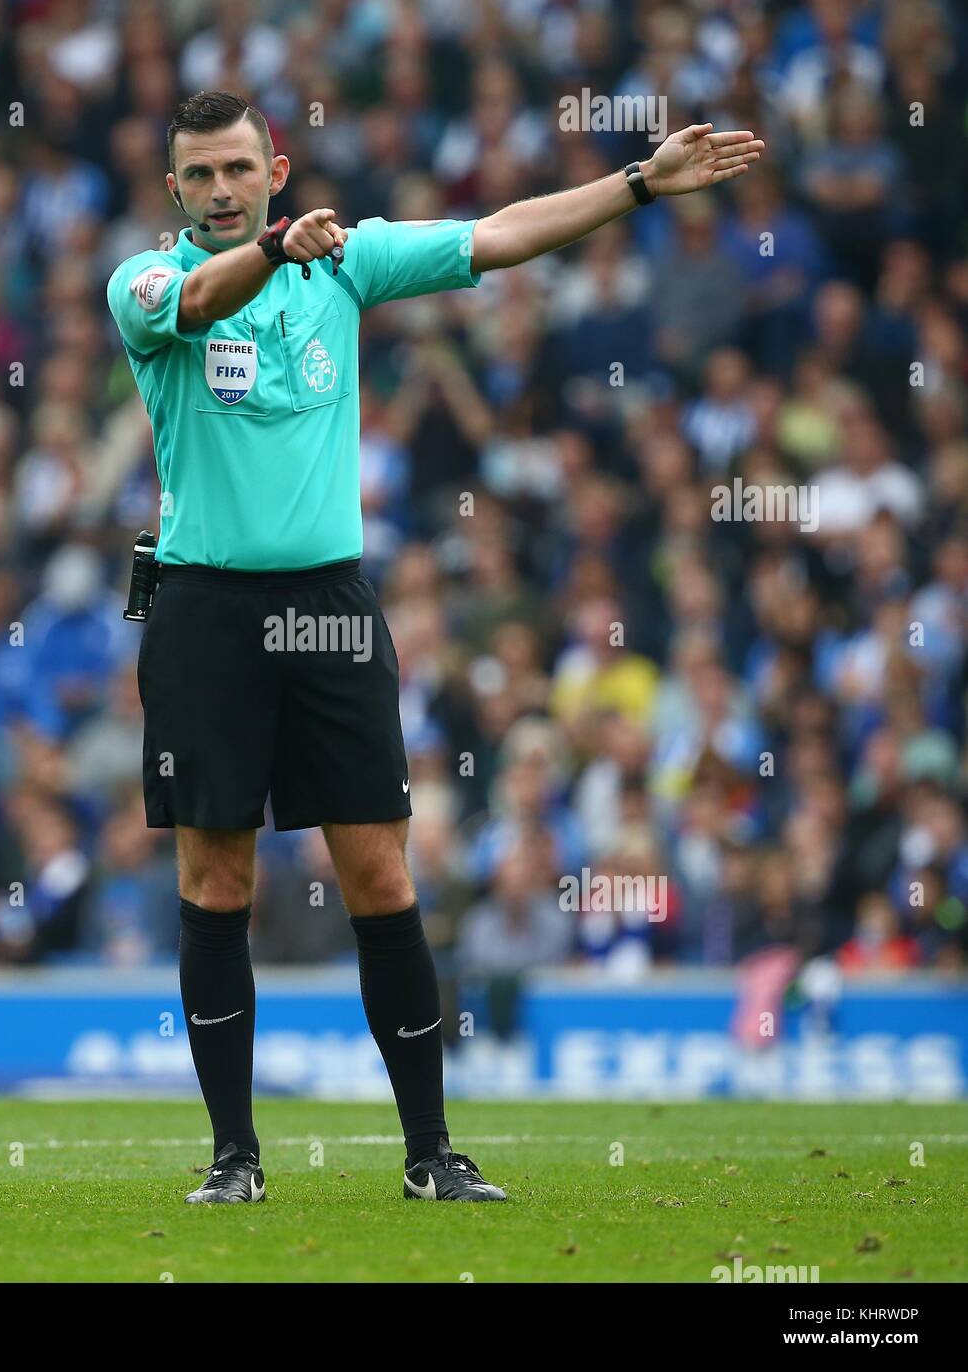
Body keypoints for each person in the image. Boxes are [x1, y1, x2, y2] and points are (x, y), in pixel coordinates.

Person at [106, 90, 764, 1204]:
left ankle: (430, 1153)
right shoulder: (146, 282)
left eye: (237, 170)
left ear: (276, 166)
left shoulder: (348, 263)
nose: (218, 190)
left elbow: (496, 234)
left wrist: (640, 184)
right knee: (216, 880)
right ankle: (234, 1159)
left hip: (327, 606)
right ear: (174, 189)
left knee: (379, 870)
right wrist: (273, 245)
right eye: (199, 176)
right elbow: (208, 295)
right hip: (205, 611)